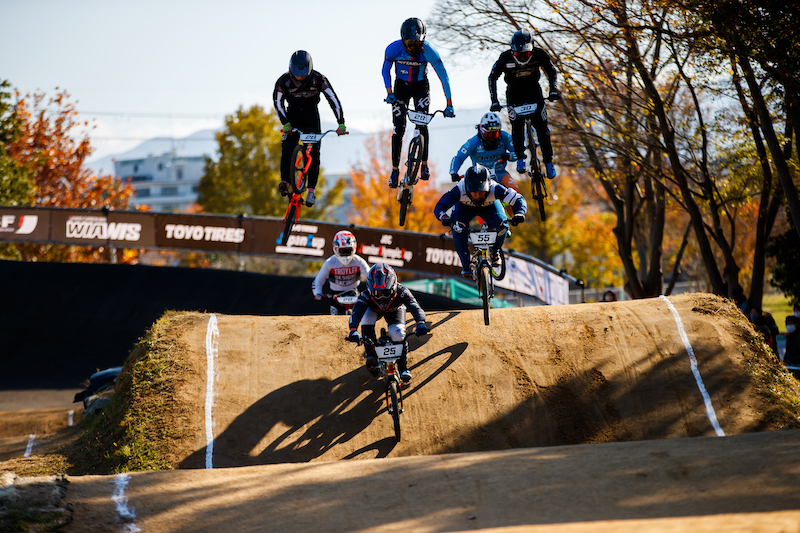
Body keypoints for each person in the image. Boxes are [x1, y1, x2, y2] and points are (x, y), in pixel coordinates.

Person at [382, 17, 455, 188]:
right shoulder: (393, 49)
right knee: (398, 128)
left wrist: (449, 103)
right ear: (402, 39)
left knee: (422, 125)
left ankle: (424, 164)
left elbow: (443, 77)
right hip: (400, 88)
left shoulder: (429, 51)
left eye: (416, 43)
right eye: (409, 43)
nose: (412, 47)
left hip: (421, 87)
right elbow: (385, 70)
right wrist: (389, 93)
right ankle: (394, 170)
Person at [273, 50, 347, 207]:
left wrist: (341, 122)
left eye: (303, 76)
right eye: (296, 76)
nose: (299, 79)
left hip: (311, 117)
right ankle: (286, 181)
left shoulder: (319, 79)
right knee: (287, 147)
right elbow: (278, 103)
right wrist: (285, 122)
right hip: (292, 116)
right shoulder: (283, 81)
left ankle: (311, 190)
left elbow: (333, 99)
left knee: (314, 152)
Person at [488, 29, 560, 179]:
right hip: (514, 94)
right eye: (519, 55)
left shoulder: (540, 54)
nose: (522, 58)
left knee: (542, 128)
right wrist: (494, 100)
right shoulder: (505, 58)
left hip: (534, 91)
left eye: (525, 55)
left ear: (532, 50)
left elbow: (552, 71)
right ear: (512, 51)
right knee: (517, 126)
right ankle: (520, 158)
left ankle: (548, 162)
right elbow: (492, 77)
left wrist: (553, 90)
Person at [434, 164, 527, 279]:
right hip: (464, 208)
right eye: (474, 192)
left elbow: (519, 199)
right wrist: (444, 217)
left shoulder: (495, 188)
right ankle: (465, 265)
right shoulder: (459, 189)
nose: (478, 195)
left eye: (482, 192)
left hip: (489, 207)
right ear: (467, 187)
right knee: (457, 228)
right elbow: (440, 206)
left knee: (503, 225)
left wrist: (520, 213)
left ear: (488, 185)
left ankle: (495, 251)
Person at [346, 263, 428, 382]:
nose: (381, 297)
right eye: (377, 293)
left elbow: (415, 307)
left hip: (395, 310)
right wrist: (353, 330)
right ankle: (371, 357)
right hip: (373, 310)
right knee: (366, 320)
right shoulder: (366, 294)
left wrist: (421, 322)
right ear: (369, 288)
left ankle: (403, 368)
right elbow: (356, 313)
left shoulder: (402, 291)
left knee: (398, 333)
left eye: (385, 292)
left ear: (394, 285)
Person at [449, 112, 521, 197]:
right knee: (475, 197)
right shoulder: (472, 143)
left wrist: (509, 156)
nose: (492, 138)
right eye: (489, 134)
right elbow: (458, 158)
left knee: (515, 192)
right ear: (482, 130)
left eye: (495, 134)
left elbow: (518, 152)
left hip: (500, 173)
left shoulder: (505, 137)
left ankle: (514, 210)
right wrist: (454, 172)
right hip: (480, 177)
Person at [312, 230, 370, 315]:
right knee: (335, 320)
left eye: (348, 251)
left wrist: (373, 291)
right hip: (335, 297)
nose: (346, 255)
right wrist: (318, 293)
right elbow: (318, 281)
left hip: (353, 294)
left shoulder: (358, 261)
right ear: (336, 249)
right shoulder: (330, 262)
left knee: (359, 317)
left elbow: (370, 277)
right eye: (343, 251)